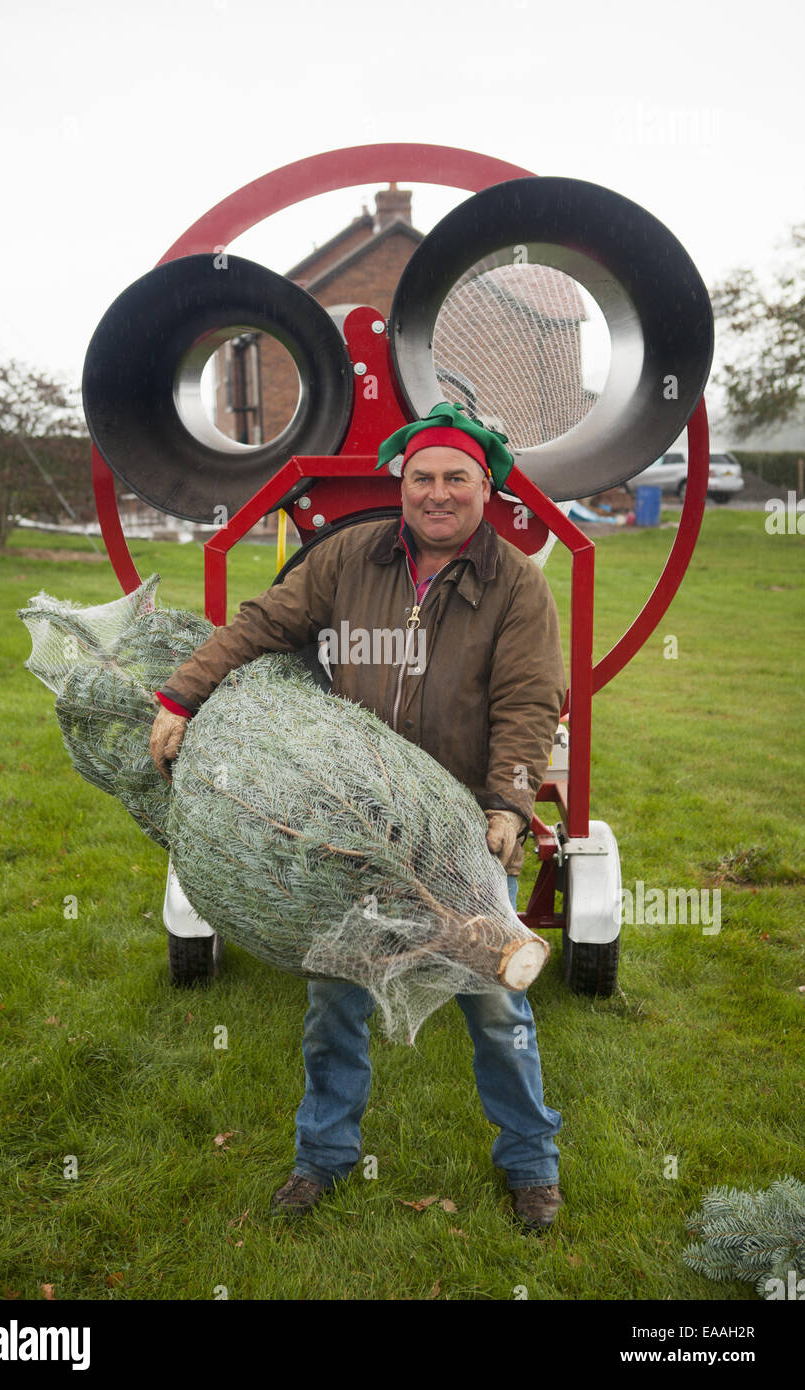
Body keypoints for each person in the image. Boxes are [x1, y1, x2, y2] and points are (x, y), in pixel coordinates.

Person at [150, 402, 567, 1229]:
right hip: (353, 822)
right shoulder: (349, 556)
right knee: (334, 997)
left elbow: (529, 703)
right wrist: (181, 693)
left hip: (455, 830)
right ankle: (323, 1160)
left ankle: (531, 1166)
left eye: (457, 478)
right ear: (401, 484)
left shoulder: (516, 581)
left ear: (487, 488)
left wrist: (508, 802)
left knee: (496, 1002)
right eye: (423, 478)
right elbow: (265, 624)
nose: (438, 493)